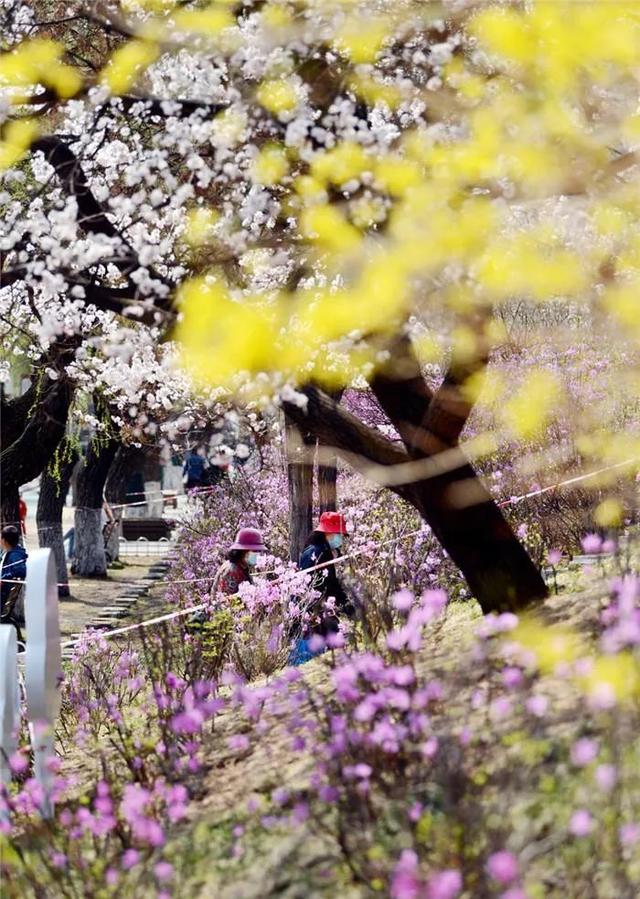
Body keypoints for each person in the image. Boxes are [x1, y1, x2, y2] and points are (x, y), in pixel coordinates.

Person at [290, 511, 353, 665]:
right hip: (310, 615)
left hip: (322, 611)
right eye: (339, 534)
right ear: (330, 533)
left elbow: (332, 584)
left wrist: (346, 605)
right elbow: (307, 587)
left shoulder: (325, 552)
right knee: (306, 662)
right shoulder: (314, 552)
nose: (341, 539)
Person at [212, 527, 267, 597]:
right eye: (255, 551)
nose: (257, 554)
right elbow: (227, 599)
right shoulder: (232, 571)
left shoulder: (242, 567)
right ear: (243, 551)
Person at [0, 525, 28, 643]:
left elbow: (20, 570)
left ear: (4, 540)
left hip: (3, 596)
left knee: (4, 619)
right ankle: (19, 639)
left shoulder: (15, 555)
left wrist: (4, 579)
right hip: (4, 595)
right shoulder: (11, 552)